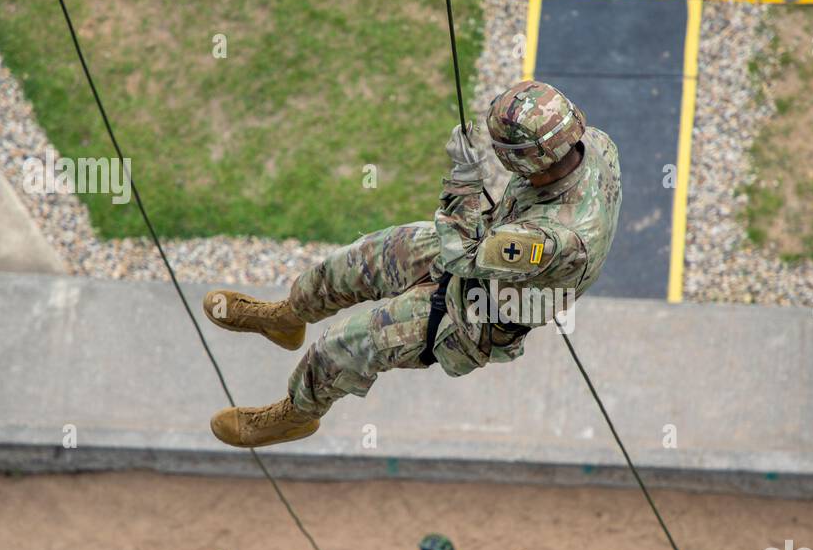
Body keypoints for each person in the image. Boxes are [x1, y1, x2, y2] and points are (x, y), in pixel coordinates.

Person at [202, 80, 621, 447]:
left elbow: (464, 254)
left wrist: (463, 178)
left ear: (525, 159)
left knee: (345, 345)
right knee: (360, 260)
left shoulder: (557, 238)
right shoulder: (592, 143)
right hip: (487, 245)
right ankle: (287, 317)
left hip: (478, 312)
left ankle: (297, 414)